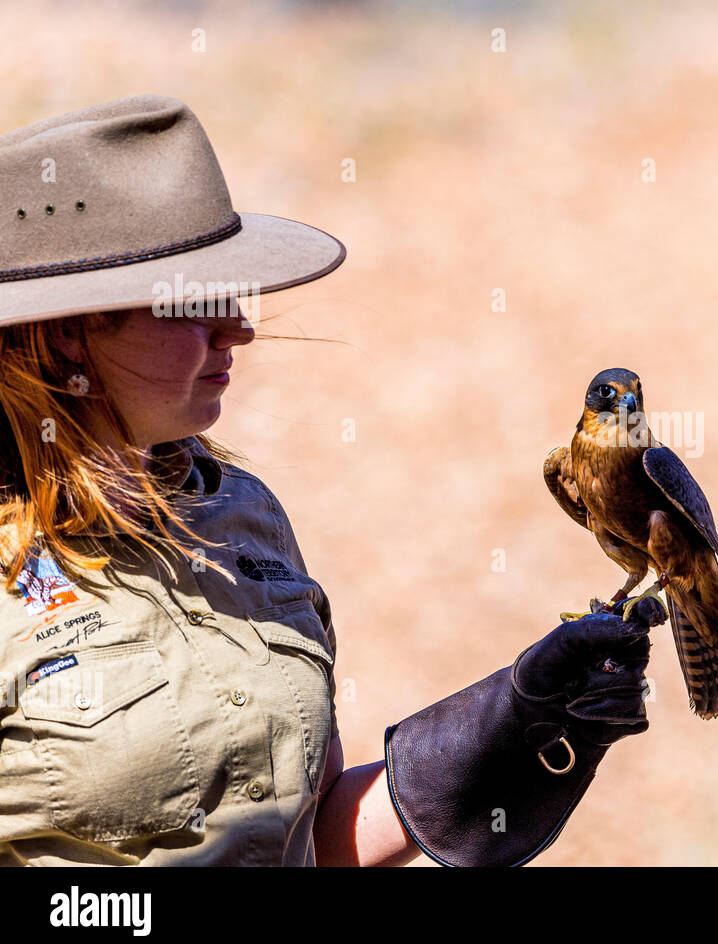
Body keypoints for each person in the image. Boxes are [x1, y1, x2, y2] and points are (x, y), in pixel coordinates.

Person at [0, 95, 662, 866]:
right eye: (194, 304)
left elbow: (309, 839)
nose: (240, 327)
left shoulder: (237, 513)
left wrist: (519, 725)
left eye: (234, 295)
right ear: (66, 334)